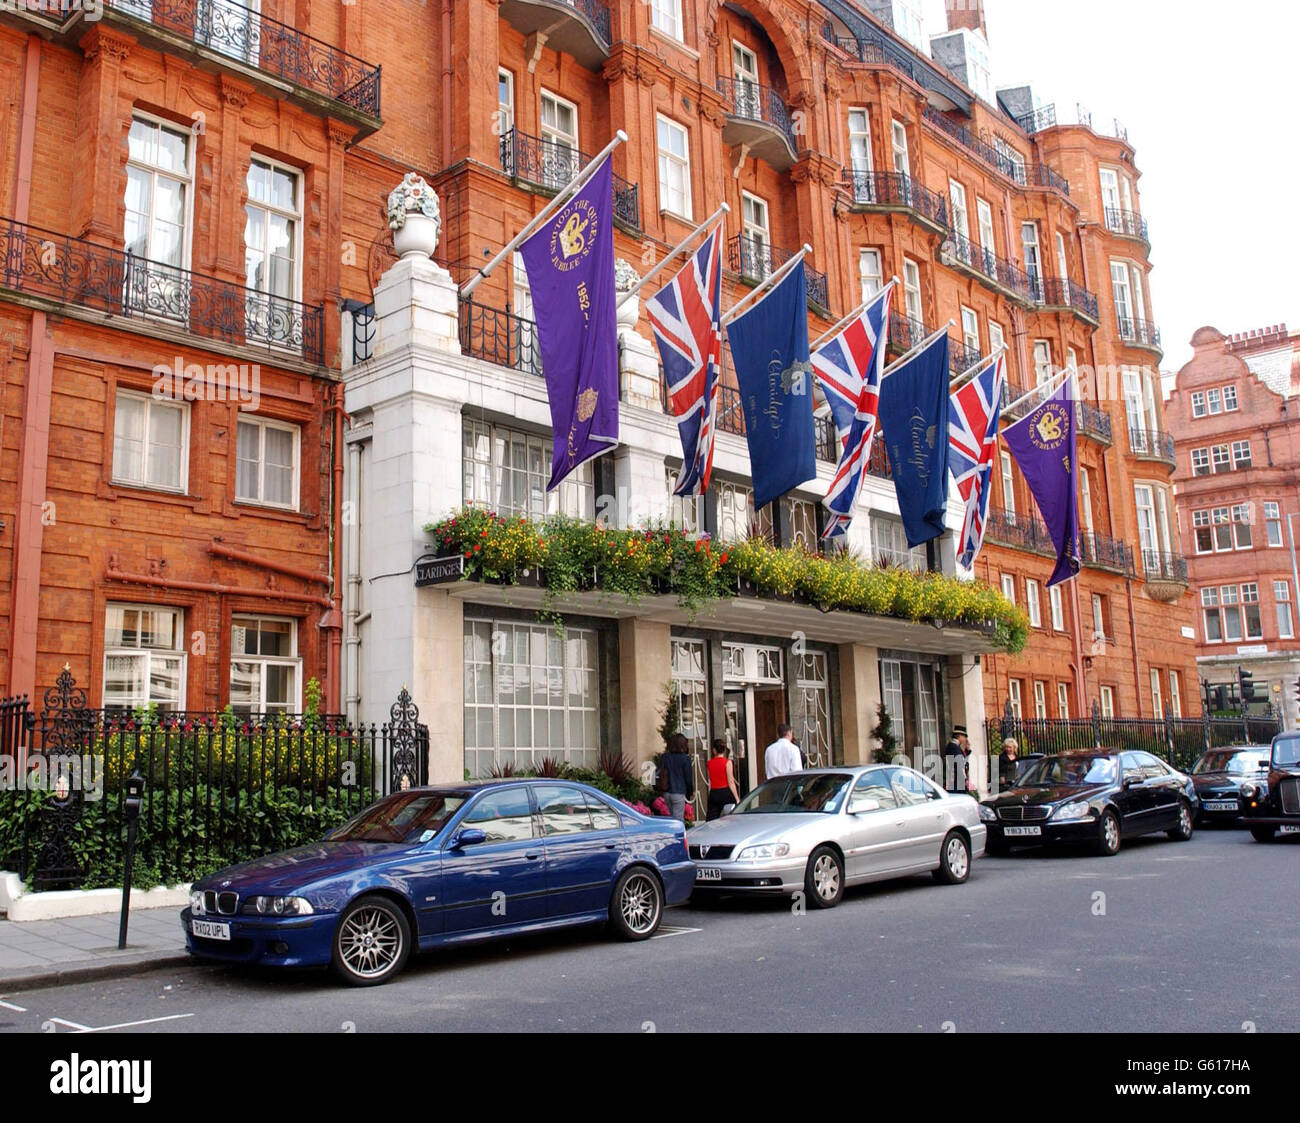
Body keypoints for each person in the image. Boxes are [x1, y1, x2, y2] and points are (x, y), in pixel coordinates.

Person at [661, 733, 695, 821]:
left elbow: (660, 771)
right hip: (679, 792)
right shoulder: (685, 759)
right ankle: (679, 835)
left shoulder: (665, 757)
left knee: (672, 818)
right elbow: (688, 778)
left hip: (667, 792)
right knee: (678, 821)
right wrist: (690, 792)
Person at [706, 739, 740, 821]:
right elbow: (731, 782)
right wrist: (737, 798)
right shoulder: (727, 762)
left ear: (714, 750)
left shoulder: (709, 763)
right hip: (726, 792)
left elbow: (710, 778)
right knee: (730, 818)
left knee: (711, 819)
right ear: (724, 750)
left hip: (714, 791)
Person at [941, 725, 971, 794]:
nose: (965, 739)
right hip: (956, 782)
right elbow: (959, 764)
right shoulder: (954, 747)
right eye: (964, 736)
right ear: (959, 736)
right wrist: (965, 780)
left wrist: (967, 751)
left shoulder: (955, 747)